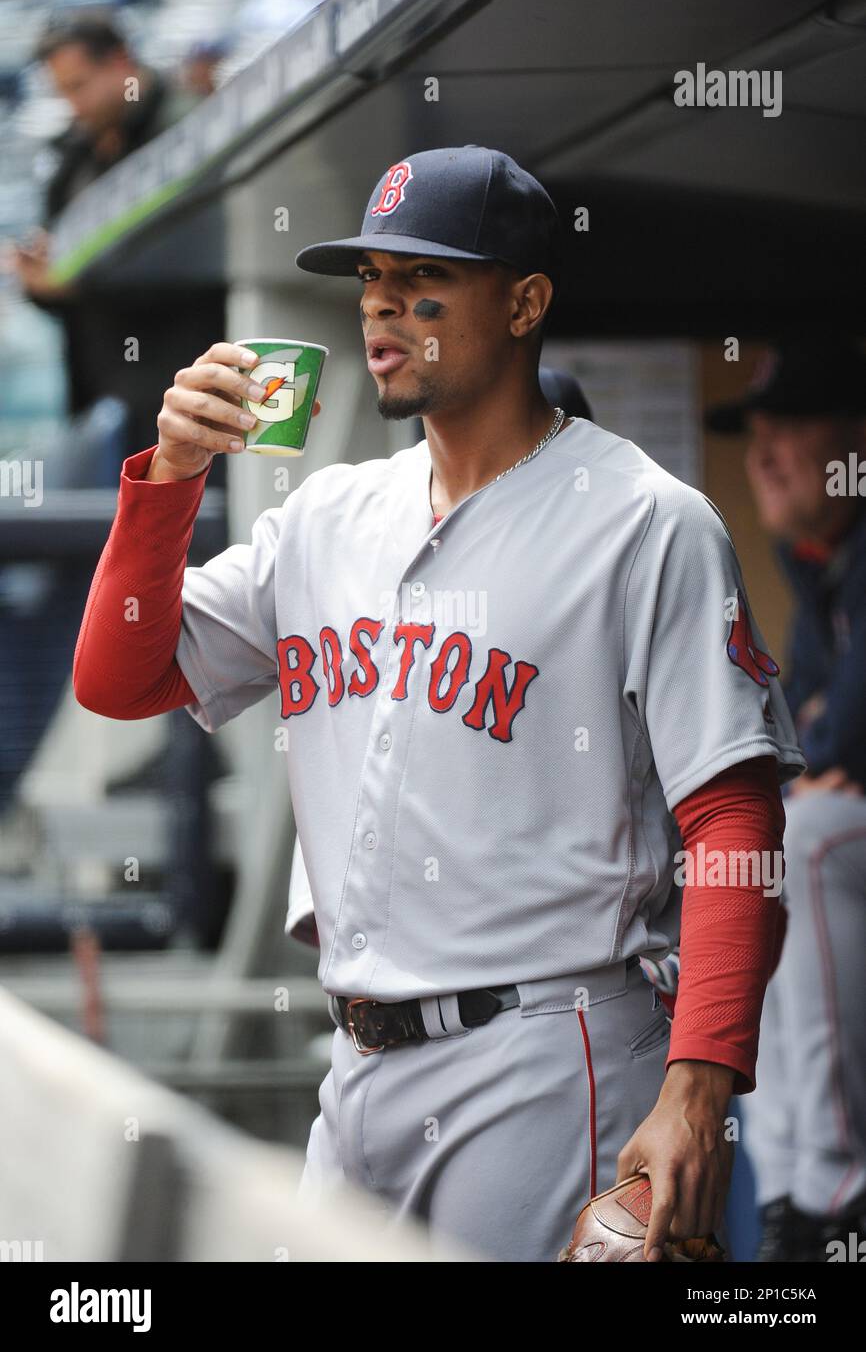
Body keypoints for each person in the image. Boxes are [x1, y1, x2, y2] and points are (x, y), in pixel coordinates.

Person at [72, 146, 806, 1262]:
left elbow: (732, 822)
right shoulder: (326, 516)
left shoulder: (645, 521)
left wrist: (698, 1090)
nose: (378, 302)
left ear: (522, 302)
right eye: (369, 276)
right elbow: (120, 678)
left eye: (424, 279)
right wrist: (168, 480)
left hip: (543, 1048)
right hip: (354, 1061)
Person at [707, 336, 866, 1260]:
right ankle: (787, 1199)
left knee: (802, 839)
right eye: (755, 431)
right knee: (754, 844)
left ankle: (836, 1192)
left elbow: (836, 736)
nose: (763, 454)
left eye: (792, 428)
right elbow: (805, 749)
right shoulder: (820, 569)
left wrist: (828, 755)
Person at [8, 11, 225, 461]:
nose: (73, 104)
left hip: (183, 381)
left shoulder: (188, 129)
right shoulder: (73, 150)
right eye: (62, 90)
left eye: (79, 85)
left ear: (120, 62)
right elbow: (63, 279)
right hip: (100, 387)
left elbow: (197, 258)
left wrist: (80, 283)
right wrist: (41, 284)